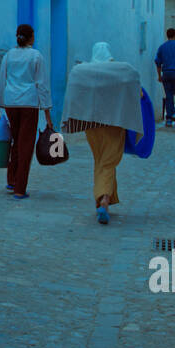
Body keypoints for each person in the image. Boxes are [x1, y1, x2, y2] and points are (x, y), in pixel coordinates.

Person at [61, 42, 144, 224]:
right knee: (108, 162)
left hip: (93, 126)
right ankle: (105, 199)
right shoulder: (121, 71)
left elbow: (75, 90)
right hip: (115, 124)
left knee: (101, 160)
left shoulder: (85, 72)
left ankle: (102, 199)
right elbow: (137, 92)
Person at [0, 23, 52, 199]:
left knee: (15, 141)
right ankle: (20, 188)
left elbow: (1, 81)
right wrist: (47, 113)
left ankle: (12, 179)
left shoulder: (8, 56)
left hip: (11, 103)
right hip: (28, 104)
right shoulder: (36, 56)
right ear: (31, 38)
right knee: (25, 144)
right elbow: (42, 85)